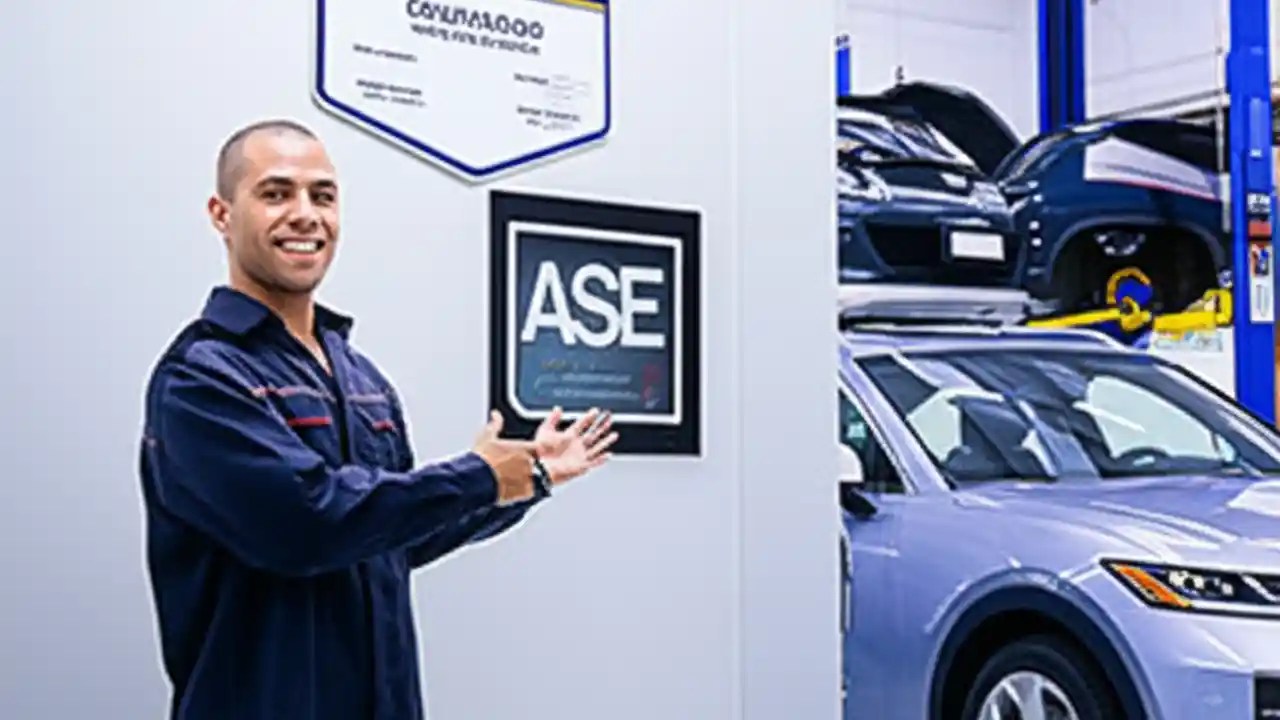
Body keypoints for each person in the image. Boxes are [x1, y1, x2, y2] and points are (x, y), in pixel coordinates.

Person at [137, 118, 618, 720]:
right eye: (275, 193)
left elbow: (393, 536)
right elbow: (309, 523)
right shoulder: (200, 380)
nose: (306, 214)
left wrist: (529, 478)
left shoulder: (361, 378)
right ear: (221, 214)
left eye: (323, 195)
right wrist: (480, 476)